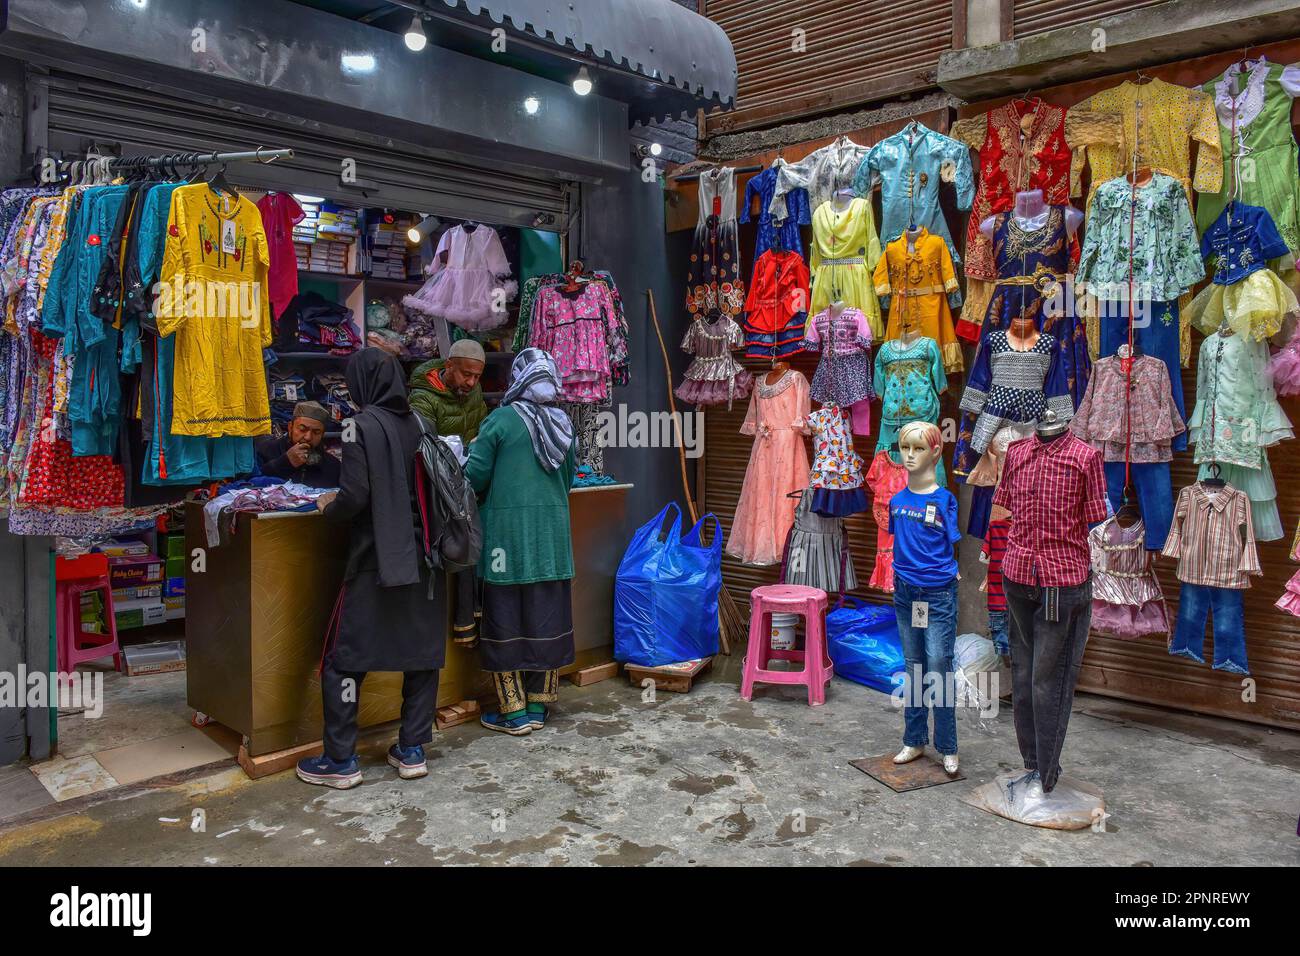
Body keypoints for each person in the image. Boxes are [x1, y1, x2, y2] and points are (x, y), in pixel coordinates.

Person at [296, 349, 446, 789]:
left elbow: (355, 497)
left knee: (344, 660)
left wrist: (327, 506)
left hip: (375, 559)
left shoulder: (355, 426)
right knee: (420, 656)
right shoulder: (423, 423)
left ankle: (341, 760)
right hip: (425, 559)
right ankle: (412, 749)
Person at [465, 348, 576, 735]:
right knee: (547, 617)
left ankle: (513, 713)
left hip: (505, 545)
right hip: (552, 540)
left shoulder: (500, 420)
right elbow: (570, 479)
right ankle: (538, 707)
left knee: (505, 618)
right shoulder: (563, 424)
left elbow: (475, 476)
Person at [408, 338, 489, 647]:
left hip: (467, 477)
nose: (471, 382)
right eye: (465, 374)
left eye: (477, 377)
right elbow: (424, 448)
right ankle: (462, 626)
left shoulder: (474, 391)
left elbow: (480, 430)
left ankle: (474, 620)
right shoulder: (422, 398)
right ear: (448, 367)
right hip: (438, 485)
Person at [254, 401, 341, 487]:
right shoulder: (266, 450)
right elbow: (249, 484)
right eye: (302, 429)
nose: (308, 437)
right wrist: (285, 462)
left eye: (316, 432)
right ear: (290, 427)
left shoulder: (333, 466)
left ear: (322, 434)